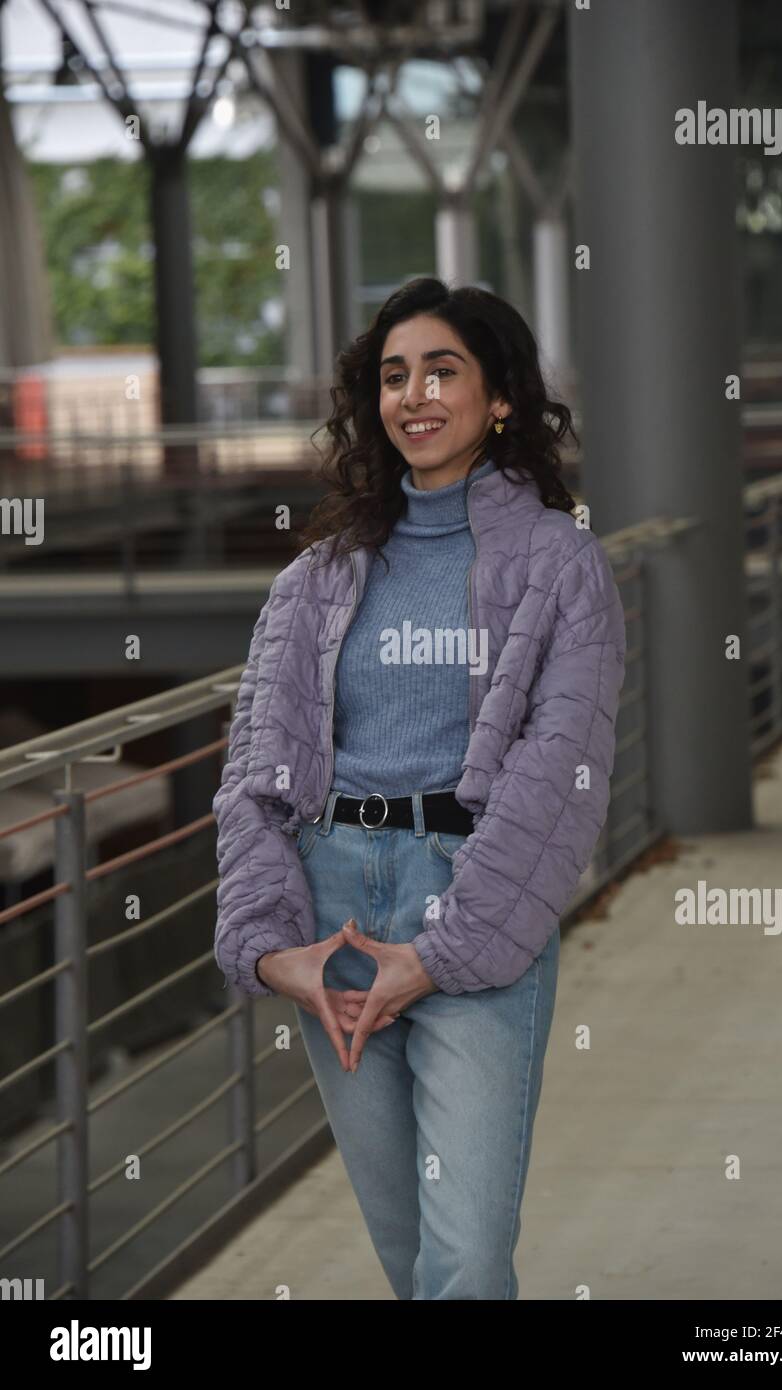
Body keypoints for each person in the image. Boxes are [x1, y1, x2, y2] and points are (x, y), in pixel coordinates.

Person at [213, 276, 626, 1299]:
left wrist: (442, 953)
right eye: (395, 376)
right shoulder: (315, 579)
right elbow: (252, 782)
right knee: (412, 1261)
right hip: (336, 925)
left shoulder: (559, 565)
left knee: (469, 1259)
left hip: (475, 906)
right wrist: (275, 953)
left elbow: (559, 774)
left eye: (443, 370)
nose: (415, 395)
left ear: (500, 399)